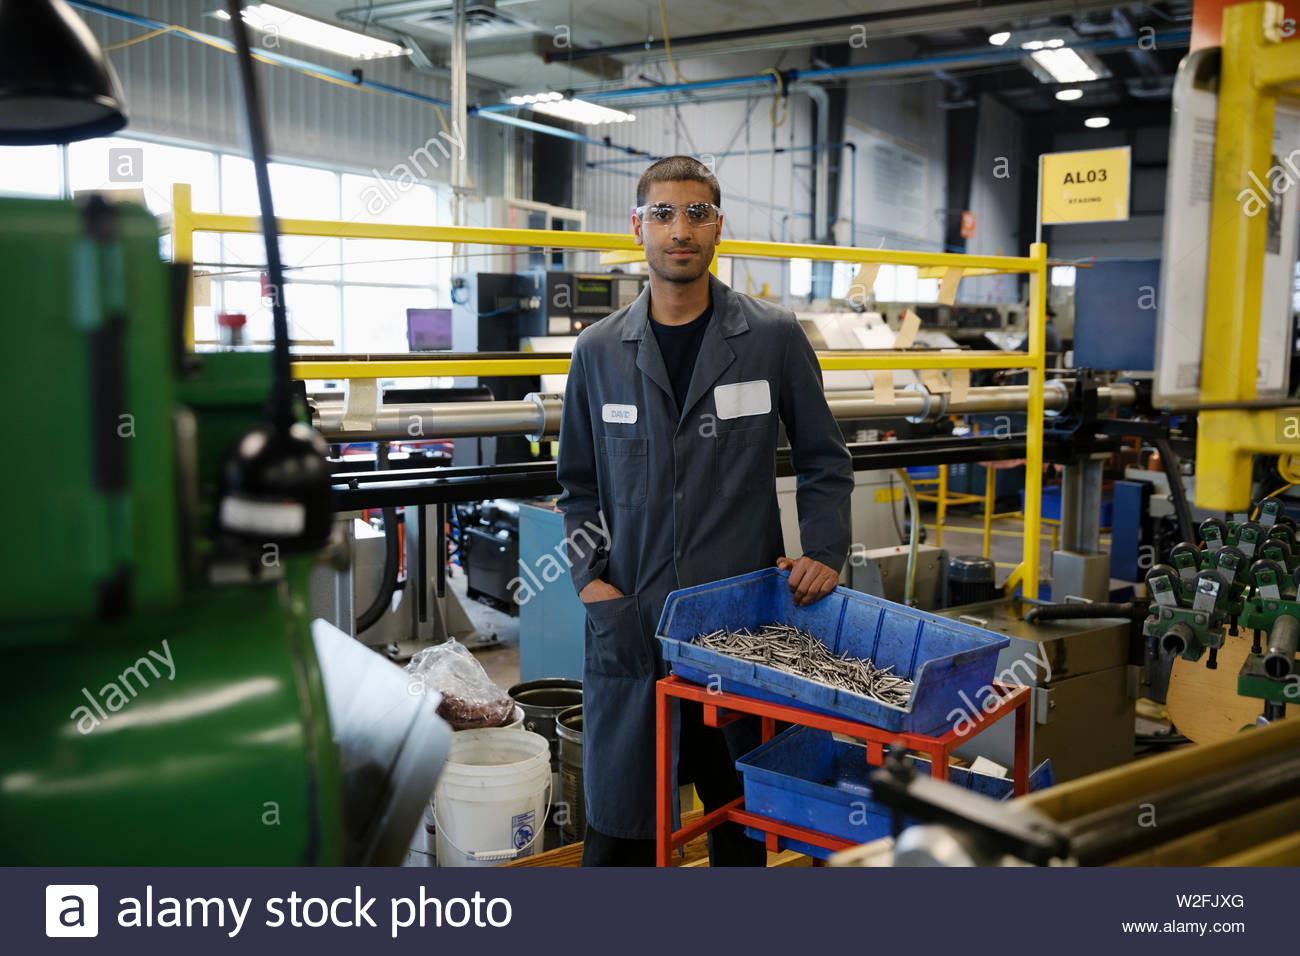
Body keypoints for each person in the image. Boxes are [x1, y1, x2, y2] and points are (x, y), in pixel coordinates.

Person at [556, 156, 855, 866]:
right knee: (621, 836)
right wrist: (588, 581)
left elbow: (825, 458)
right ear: (637, 228)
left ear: (719, 226)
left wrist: (826, 550)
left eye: (696, 213)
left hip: (741, 622)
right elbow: (576, 486)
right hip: (633, 619)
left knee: (741, 825)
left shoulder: (772, 337)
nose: (679, 229)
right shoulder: (598, 352)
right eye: (662, 214)